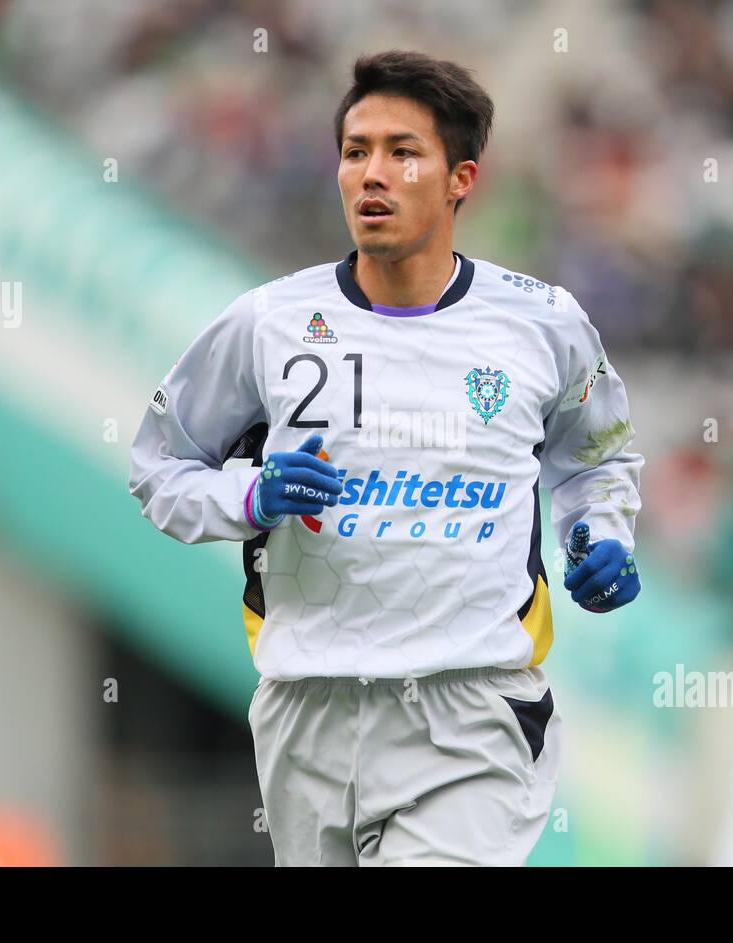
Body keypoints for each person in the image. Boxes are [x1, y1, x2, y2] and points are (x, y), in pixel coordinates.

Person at [129, 50, 643, 866]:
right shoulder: (268, 324)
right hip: (306, 709)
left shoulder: (544, 324)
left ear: (460, 178)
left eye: (403, 152)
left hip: (470, 707)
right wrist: (250, 500)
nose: (373, 173)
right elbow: (160, 467)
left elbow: (595, 463)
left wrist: (602, 534)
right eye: (355, 150)